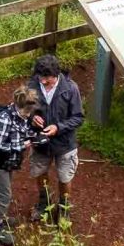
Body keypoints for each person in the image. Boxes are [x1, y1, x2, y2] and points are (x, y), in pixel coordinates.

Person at [25, 54, 84, 223]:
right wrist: (32, 118)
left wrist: (58, 127)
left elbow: (78, 117)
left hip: (65, 144)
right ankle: (45, 203)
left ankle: (64, 208)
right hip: (40, 141)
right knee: (40, 172)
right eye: (40, 77)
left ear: (56, 75)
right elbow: (24, 110)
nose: (43, 81)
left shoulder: (71, 89)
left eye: (47, 79)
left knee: (65, 177)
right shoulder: (31, 86)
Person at [0, 86, 39, 246]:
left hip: (9, 162)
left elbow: (23, 129)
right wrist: (21, 146)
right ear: (19, 106)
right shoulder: (4, 118)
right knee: (5, 194)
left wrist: (35, 135)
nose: (28, 115)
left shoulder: (21, 115)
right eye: (26, 113)